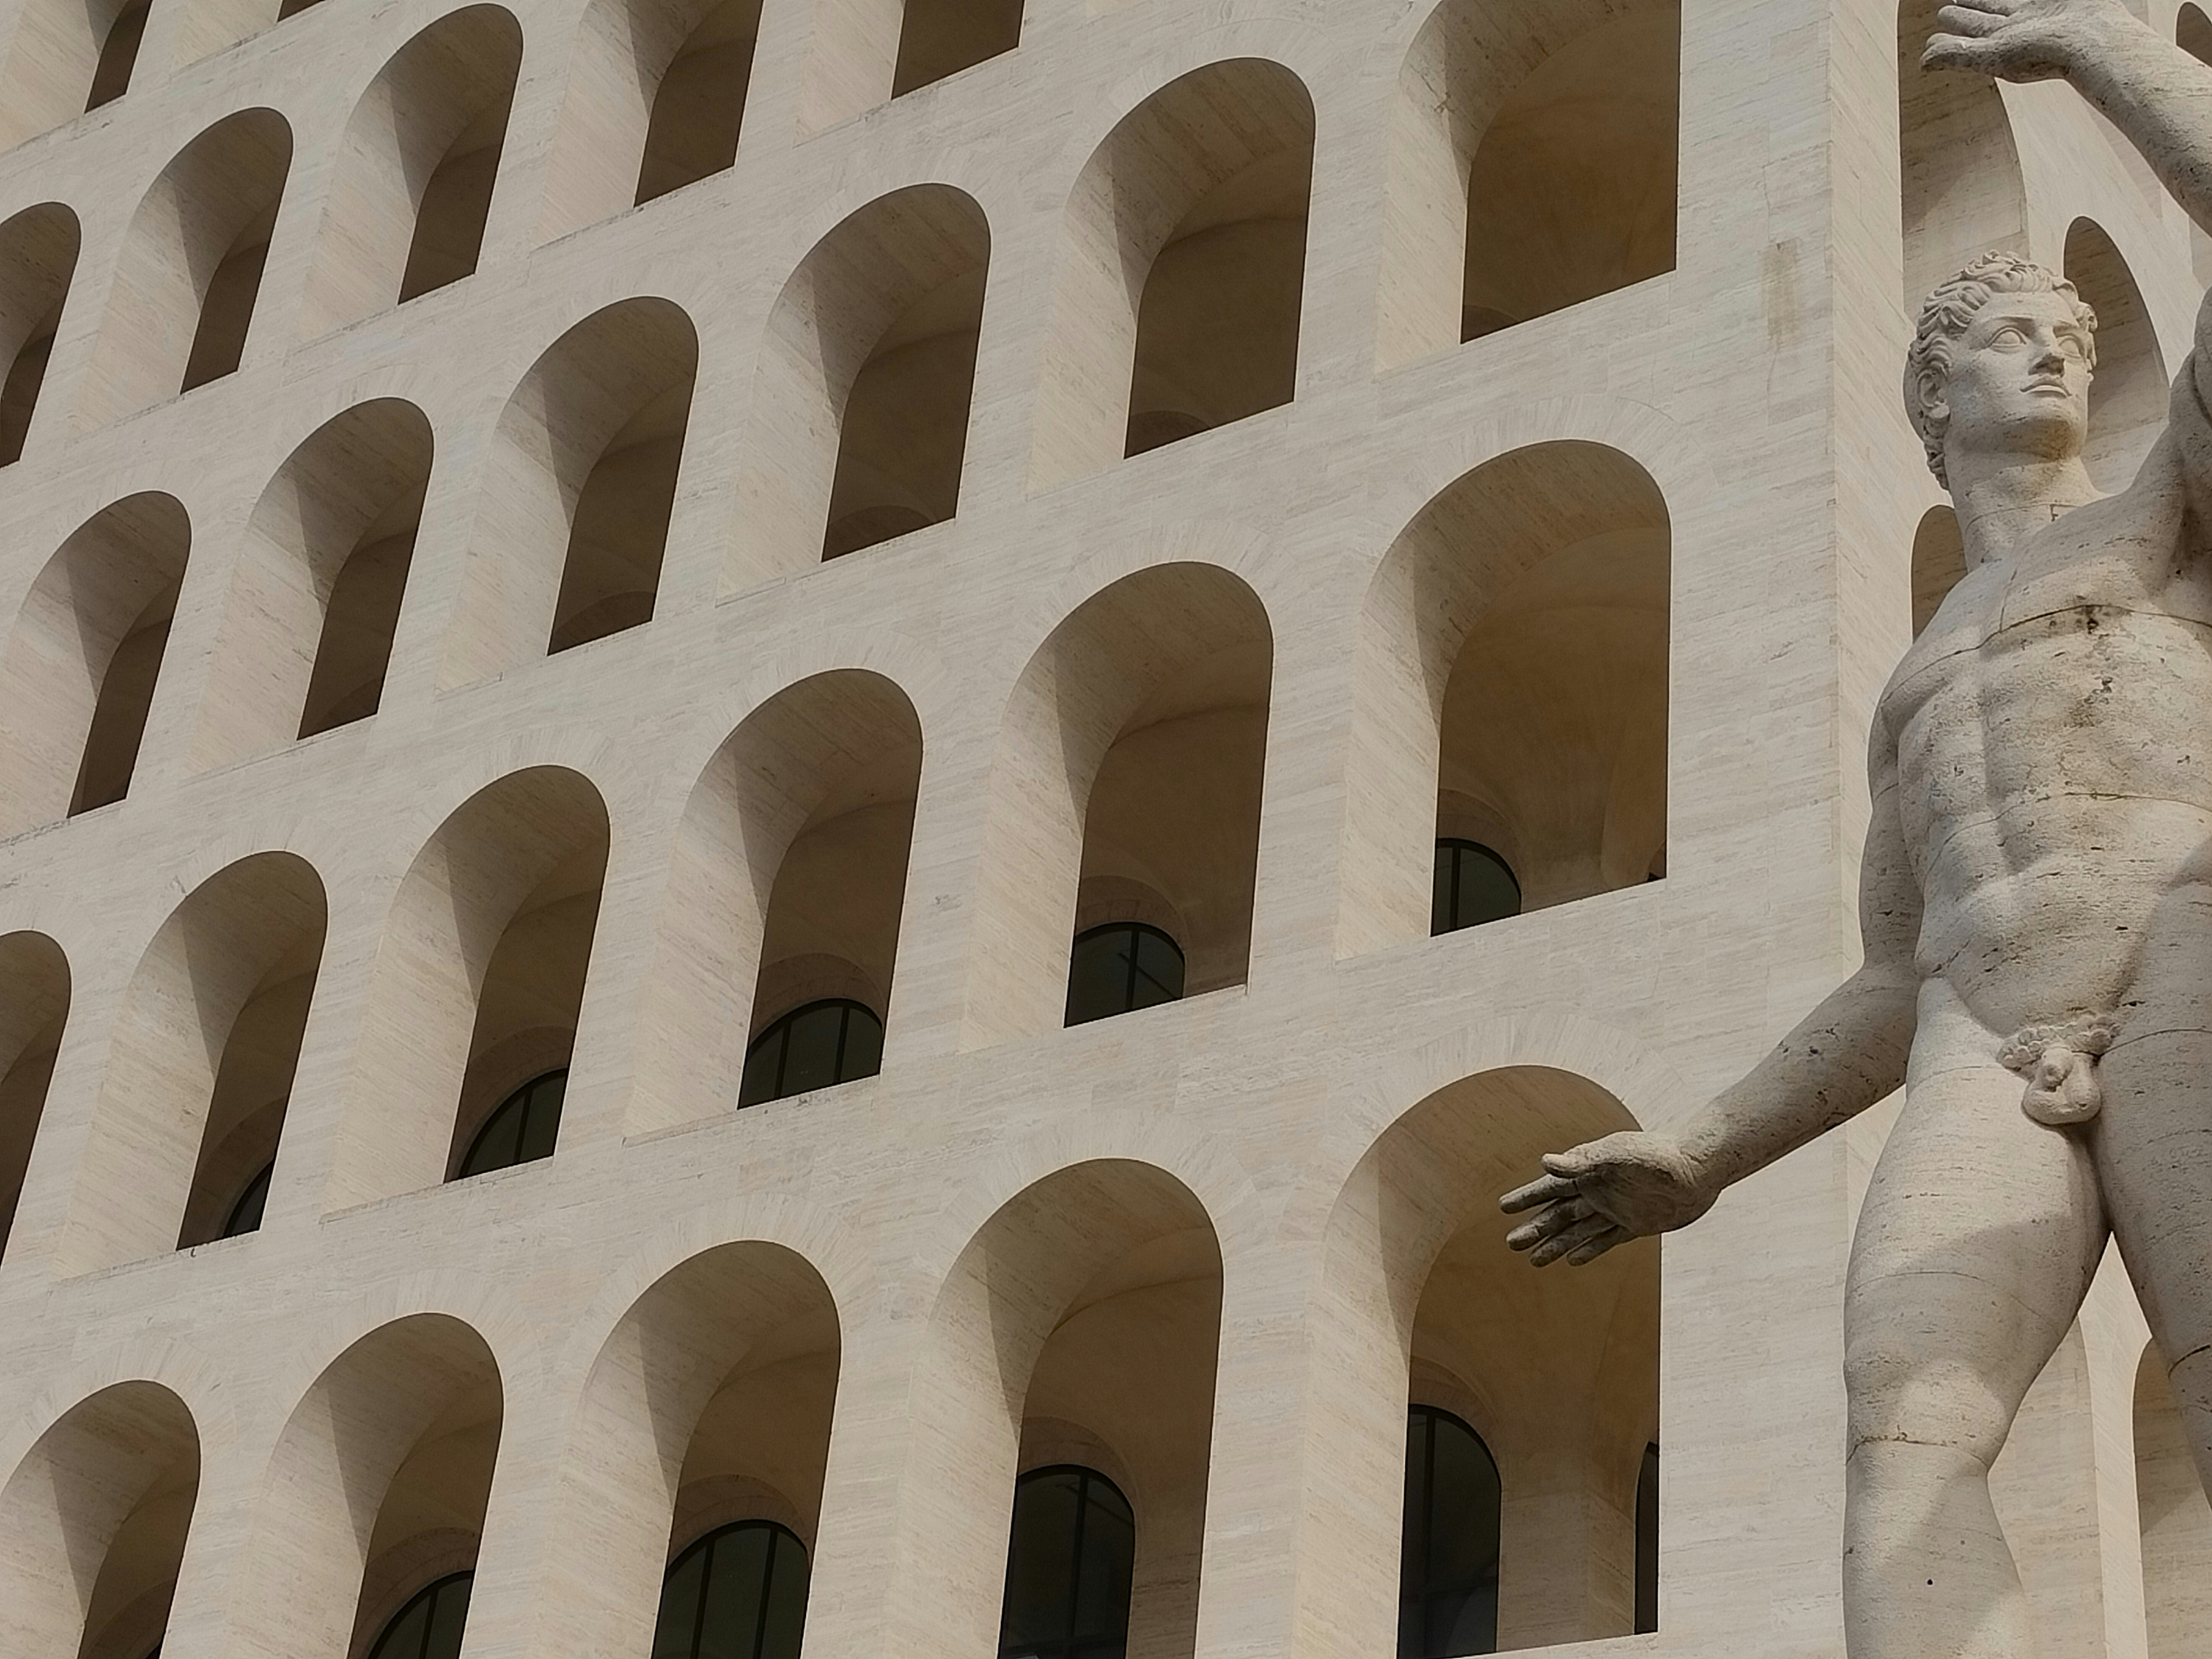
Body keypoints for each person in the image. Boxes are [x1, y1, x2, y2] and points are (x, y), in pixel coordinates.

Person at [1499, 1, 2212, 1652]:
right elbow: (1901, 973)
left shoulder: (2163, 522)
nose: (2060, 352)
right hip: (1983, 1028)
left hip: (2184, 957)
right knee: (1906, 1423)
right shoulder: (1918, 677)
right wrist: (1706, 1149)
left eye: (2077, 337)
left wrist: (2104, 54)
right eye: (2017, 334)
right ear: (1933, 392)